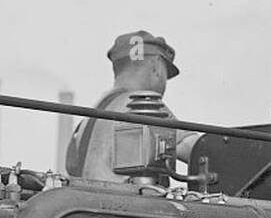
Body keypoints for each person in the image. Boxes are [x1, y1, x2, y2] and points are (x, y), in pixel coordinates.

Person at [65, 31, 198, 181]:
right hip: (119, 202)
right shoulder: (144, 104)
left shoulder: (91, 117)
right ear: (156, 66)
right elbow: (199, 151)